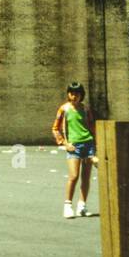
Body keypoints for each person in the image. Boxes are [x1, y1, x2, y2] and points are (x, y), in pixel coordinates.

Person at [51, 81, 96, 219]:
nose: (74, 96)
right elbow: (55, 128)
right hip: (74, 146)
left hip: (88, 144)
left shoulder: (86, 109)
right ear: (68, 94)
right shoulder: (64, 109)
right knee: (74, 176)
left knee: (86, 177)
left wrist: (96, 145)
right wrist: (64, 143)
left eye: (77, 94)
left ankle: (82, 206)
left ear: (81, 95)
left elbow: (92, 128)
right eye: (72, 93)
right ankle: (68, 205)